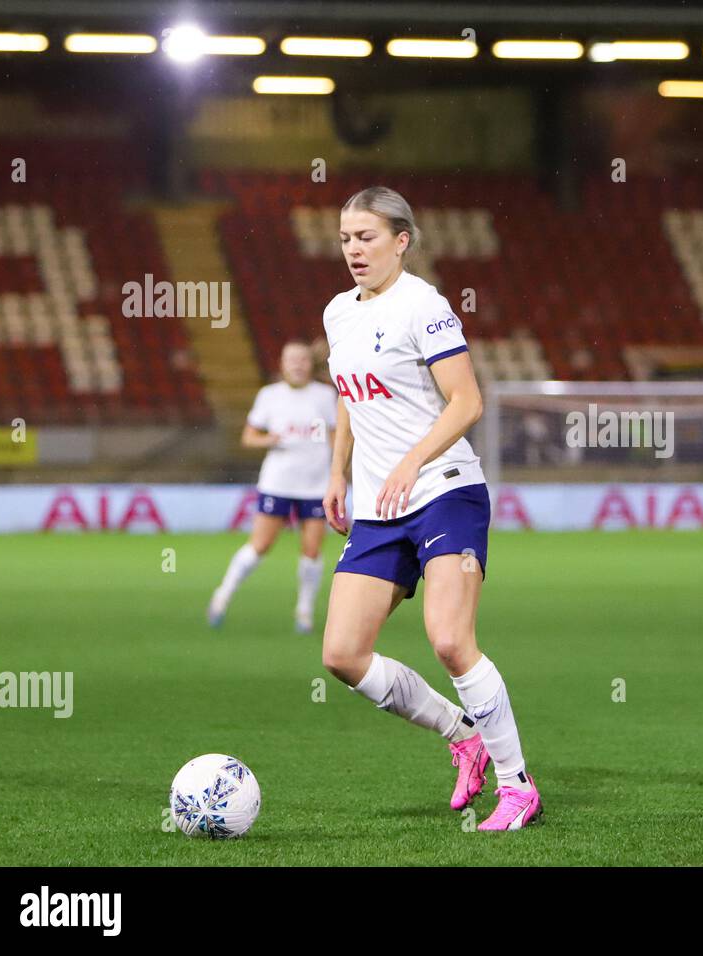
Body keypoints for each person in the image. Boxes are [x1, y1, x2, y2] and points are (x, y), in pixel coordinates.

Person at [321, 185, 542, 830]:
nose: (354, 250)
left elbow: (467, 401)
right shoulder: (339, 313)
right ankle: (462, 734)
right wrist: (337, 472)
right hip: (379, 506)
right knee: (341, 654)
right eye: (345, 239)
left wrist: (412, 459)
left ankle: (517, 785)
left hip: (445, 489)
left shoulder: (426, 306)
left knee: (449, 640)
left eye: (366, 237)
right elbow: (348, 394)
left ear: (401, 240)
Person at [209, 340, 338, 633]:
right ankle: (223, 595)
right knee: (261, 545)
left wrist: (338, 473)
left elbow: (335, 436)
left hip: (315, 485)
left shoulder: (326, 395)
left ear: (310, 364)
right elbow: (248, 437)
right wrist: (269, 440)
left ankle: (303, 611)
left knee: (312, 550)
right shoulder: (269, 396)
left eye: (303, 359)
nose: (297, 364)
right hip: (278, 482)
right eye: (291, 359)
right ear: (281, 364)